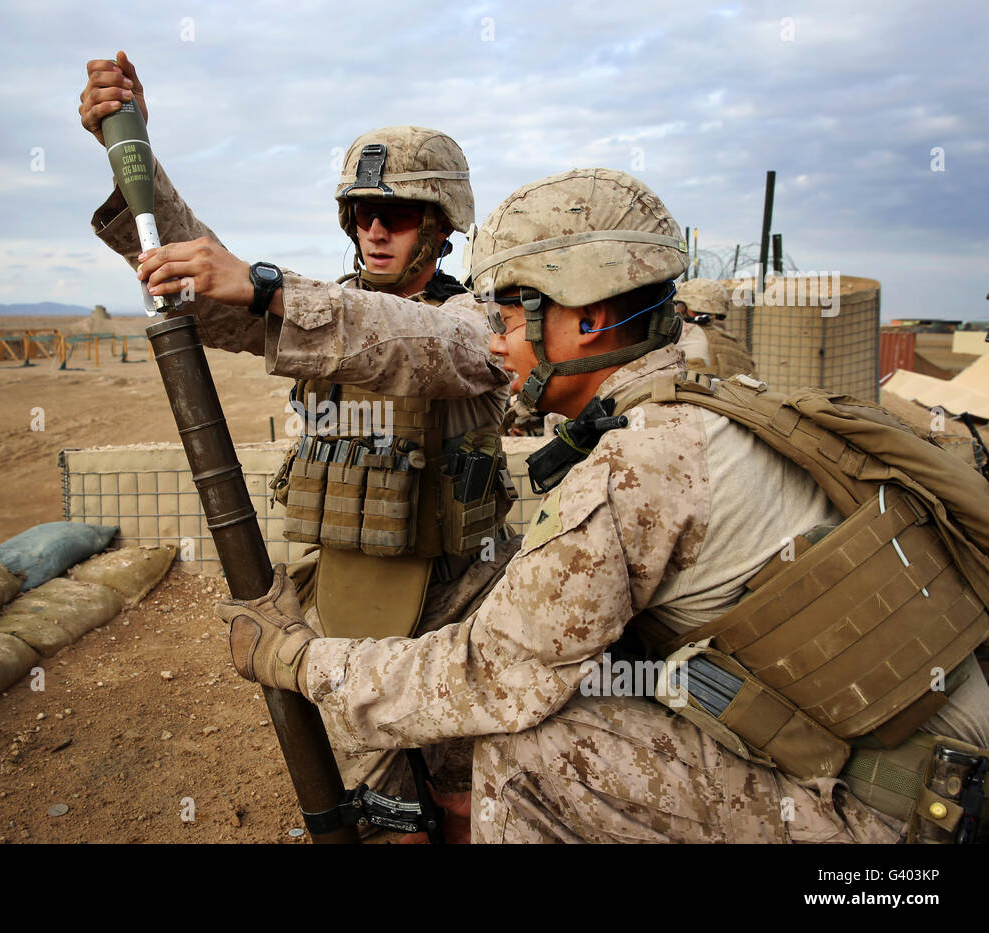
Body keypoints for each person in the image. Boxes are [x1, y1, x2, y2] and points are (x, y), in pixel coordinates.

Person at [215, 167, 989, 843]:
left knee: (529, 751)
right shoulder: (707, 376)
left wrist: (296, 657)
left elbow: (488, 676)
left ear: (585, 320)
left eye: (513, 315)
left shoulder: (636, 469)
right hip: (927, 765)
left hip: (892, 818)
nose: (497, 342)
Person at [78, 53, 514, 795]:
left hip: (458, 609)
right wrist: (134, 156)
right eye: (360, 213)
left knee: (467, 792)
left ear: (442, 228)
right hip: (345, 600)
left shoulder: (474, 319)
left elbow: (423, 344)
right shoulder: (321, 313)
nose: (374, 230)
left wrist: (269, 287)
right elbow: (211, 298)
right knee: (374, 803)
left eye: (398, 215)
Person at [673, 278, 759, 379]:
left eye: (680, 305)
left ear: (689, 307)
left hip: (696, 393)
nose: (677, 310)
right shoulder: (737, 343)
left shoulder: (688, 331)